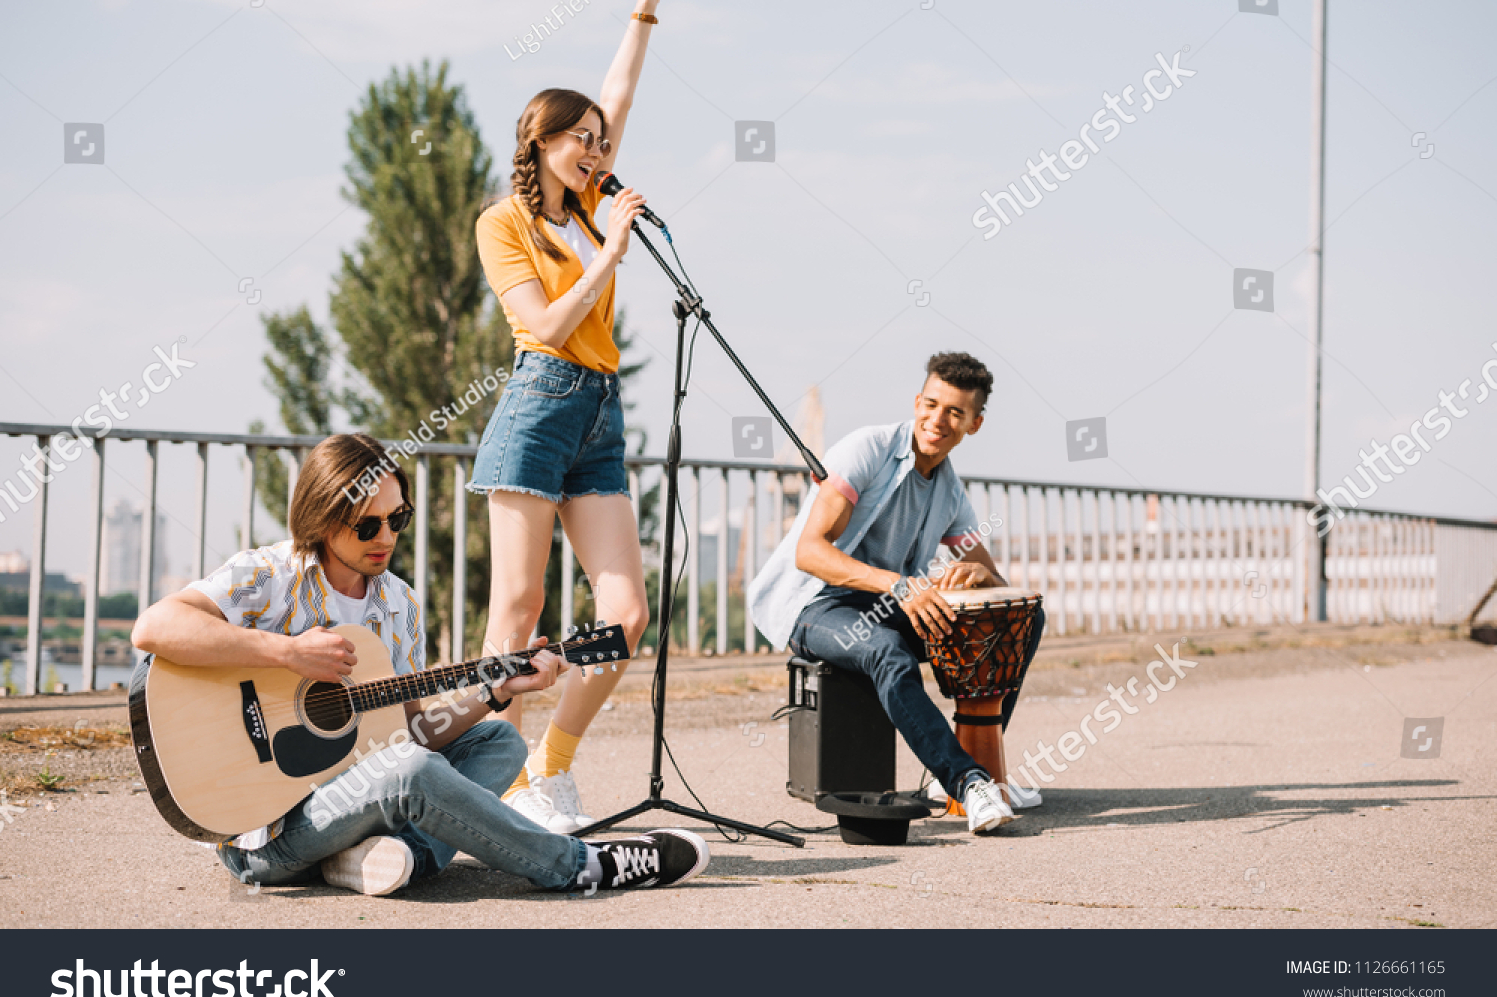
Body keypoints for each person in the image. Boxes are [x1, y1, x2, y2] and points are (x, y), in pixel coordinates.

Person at [130, 433, 708, 896]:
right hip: (268, 834)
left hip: (352, 803)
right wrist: (286, 652)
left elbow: (411, 733)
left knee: (498, 745)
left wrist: (495, 694)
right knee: (407, 773)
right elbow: (153, 628)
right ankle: (578, 866)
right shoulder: (270, 575)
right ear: (323, 518)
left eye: (397, 520)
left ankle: (387, 858)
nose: (386, 537)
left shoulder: (397, 604)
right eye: (367, 525)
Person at [468, 0, 666, 832]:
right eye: (580, 138)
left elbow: (617, 93)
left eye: (601, 139)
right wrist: (615, 254)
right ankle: (487, 775)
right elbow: (542, 326)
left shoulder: (590, 206)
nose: (597, 148)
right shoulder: (504, 222)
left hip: (599, 410)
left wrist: (643, 10)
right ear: (541, 143)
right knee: (518, 607)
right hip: (541, 399)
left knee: (624, 613)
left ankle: (548, 765)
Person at [748, 353, 1044, 835]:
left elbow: (998, 584)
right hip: (812, 604)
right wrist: (899, 585)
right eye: (932, 405)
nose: (938, 420)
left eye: (955, 412)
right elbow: (809, 552)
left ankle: (961, 763)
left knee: (1018, 620)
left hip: (884, 603)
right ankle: (969, 781)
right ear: (917, 402)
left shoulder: (949, 492)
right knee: (886, 650)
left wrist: (976, 573)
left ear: (975, 423)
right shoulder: (867, 449)